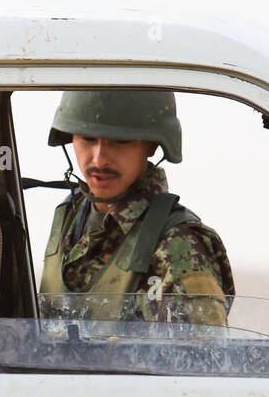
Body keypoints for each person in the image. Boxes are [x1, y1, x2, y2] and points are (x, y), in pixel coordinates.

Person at [40, 89, 234, 323]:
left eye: (120, 141)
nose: (99, 159)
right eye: (87, 138)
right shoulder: (68, 218)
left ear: (151, 145)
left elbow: (201, 357)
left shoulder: (178, 242)